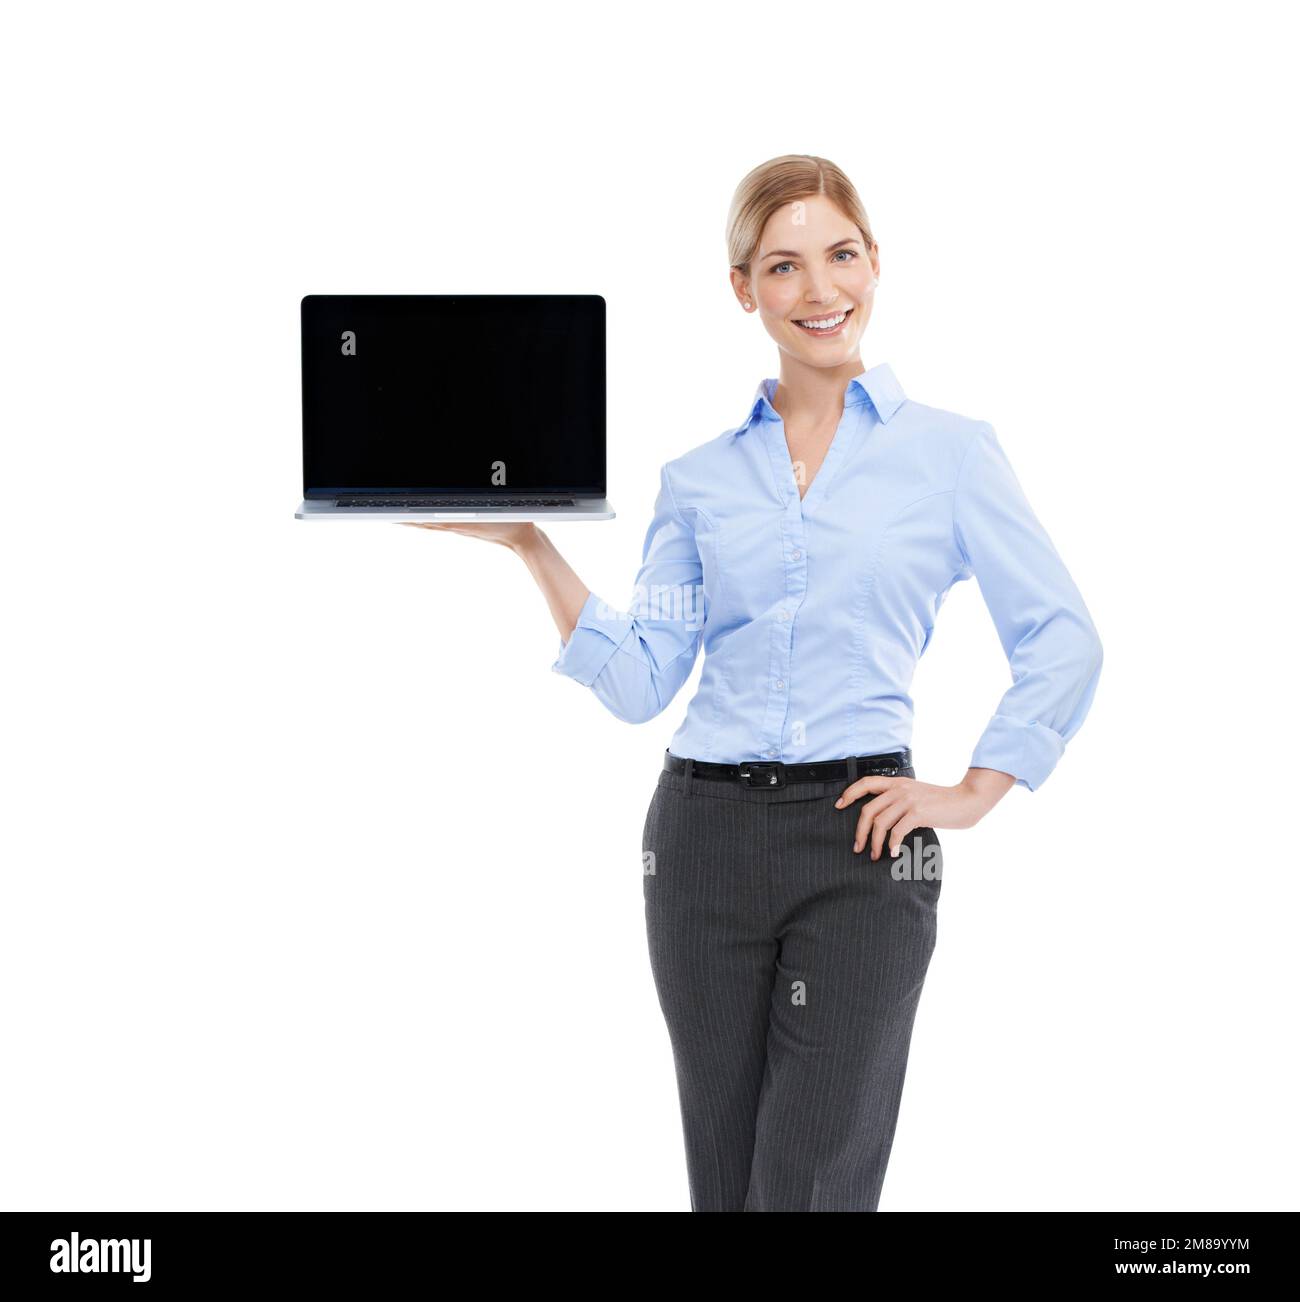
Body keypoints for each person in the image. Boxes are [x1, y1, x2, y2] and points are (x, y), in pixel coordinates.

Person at [407, 154, 1104, 1211]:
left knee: (808, 1181)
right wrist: (528, 547)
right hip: (701, 840)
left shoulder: (953, 457)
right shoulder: (697, 481)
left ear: (876, 263)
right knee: (726, 1182)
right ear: (744, 288)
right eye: (783, 266)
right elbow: (647, 681)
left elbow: (1063, 637)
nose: (819, 291)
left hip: (864, 841)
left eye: (840, 256)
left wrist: (969, 791)